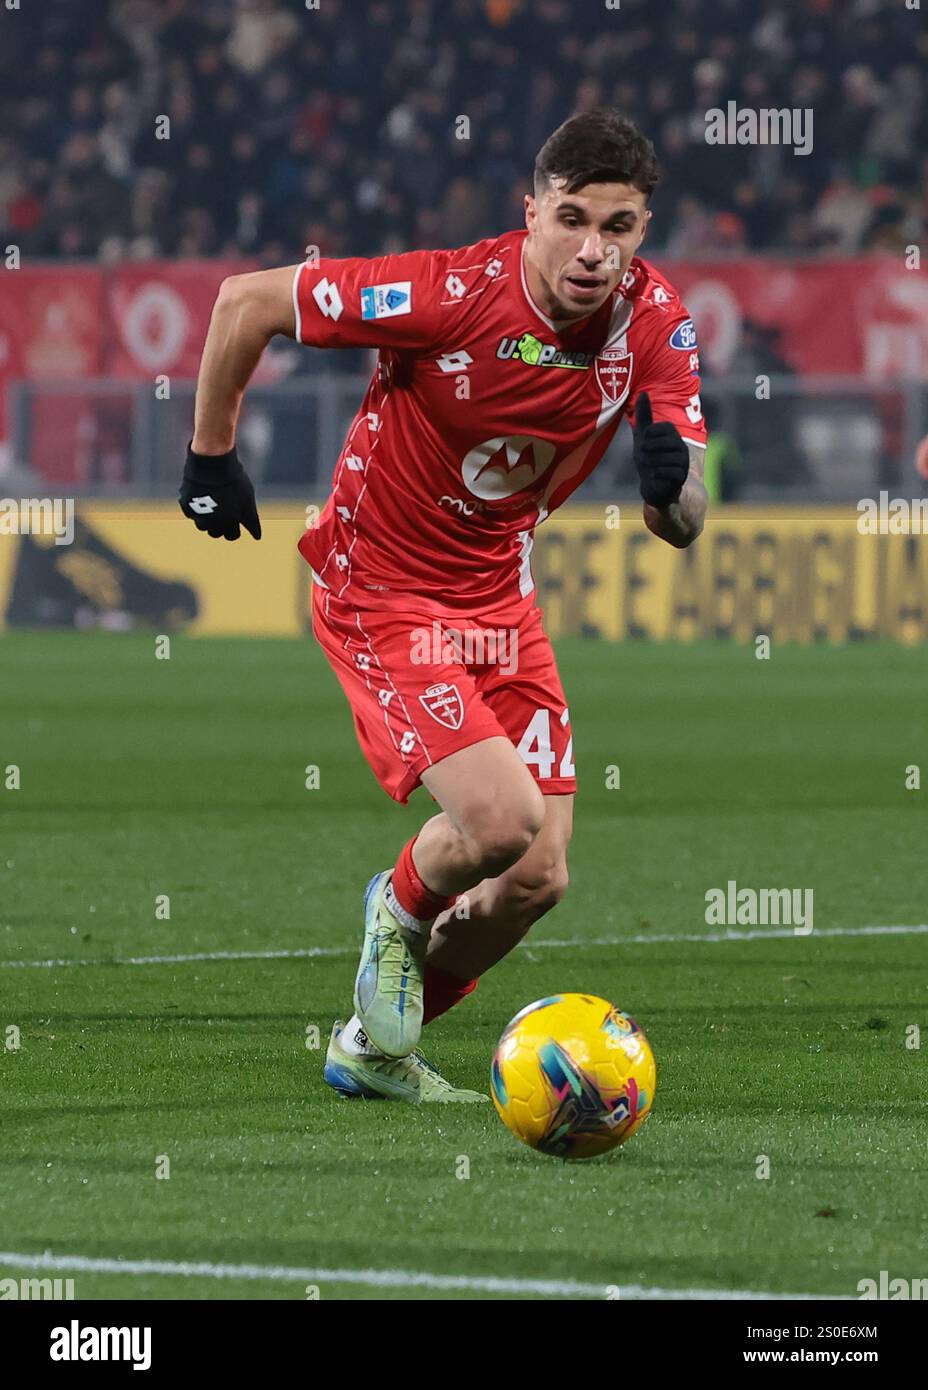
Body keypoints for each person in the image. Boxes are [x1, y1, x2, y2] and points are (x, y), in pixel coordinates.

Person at [179, 108, 708, 1102]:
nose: (594, 250)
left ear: (643, 229)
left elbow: (683, 519)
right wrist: (211, 455)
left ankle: (370, 1051)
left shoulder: (657, 325)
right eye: (572, 219)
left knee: (536, 879)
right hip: (380, 587)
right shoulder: (449, 292)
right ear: (531, 213)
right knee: (500, 823)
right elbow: (242, 301)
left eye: (621, 226)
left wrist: (670, 482)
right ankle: (398, 904)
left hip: (497, 594)